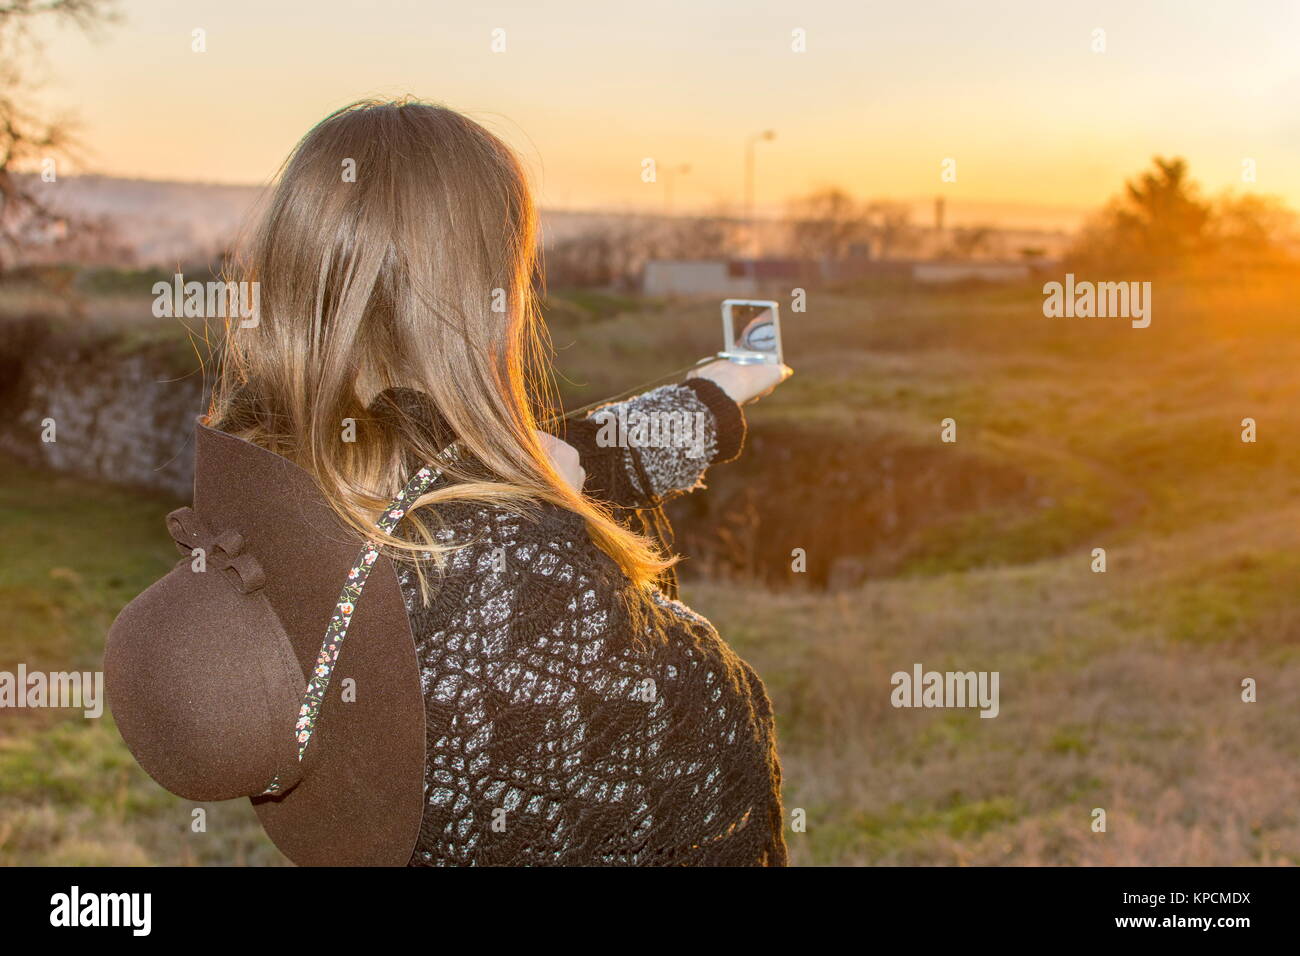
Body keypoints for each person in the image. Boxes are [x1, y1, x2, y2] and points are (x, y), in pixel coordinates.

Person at [160, 98, 791, 865]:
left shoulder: (287, 483)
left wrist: (714, 393)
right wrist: (554, 518)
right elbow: (711, 734)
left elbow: (539, 455)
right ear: (483, 297)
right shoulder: (523, 577)